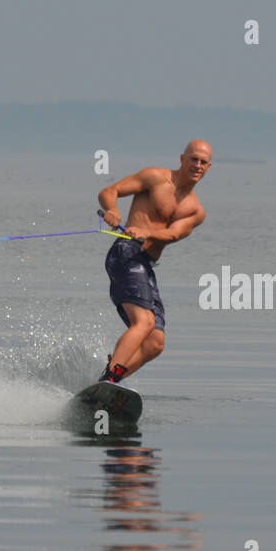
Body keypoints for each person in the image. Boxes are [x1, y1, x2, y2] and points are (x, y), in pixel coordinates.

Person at [96, 140, 210, 383]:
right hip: (126, 252)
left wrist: (148, 233)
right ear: (182, 159)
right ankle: (109, 378)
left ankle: (108, 382)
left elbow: (174, 234)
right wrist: (112, 210)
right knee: (145, 322)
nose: (197, 165)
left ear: (208, 167)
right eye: (194, 159)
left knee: (155, 342)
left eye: (203, 162)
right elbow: (108, 192)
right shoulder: (155, 177)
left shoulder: (196, 210)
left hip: (145, 263)